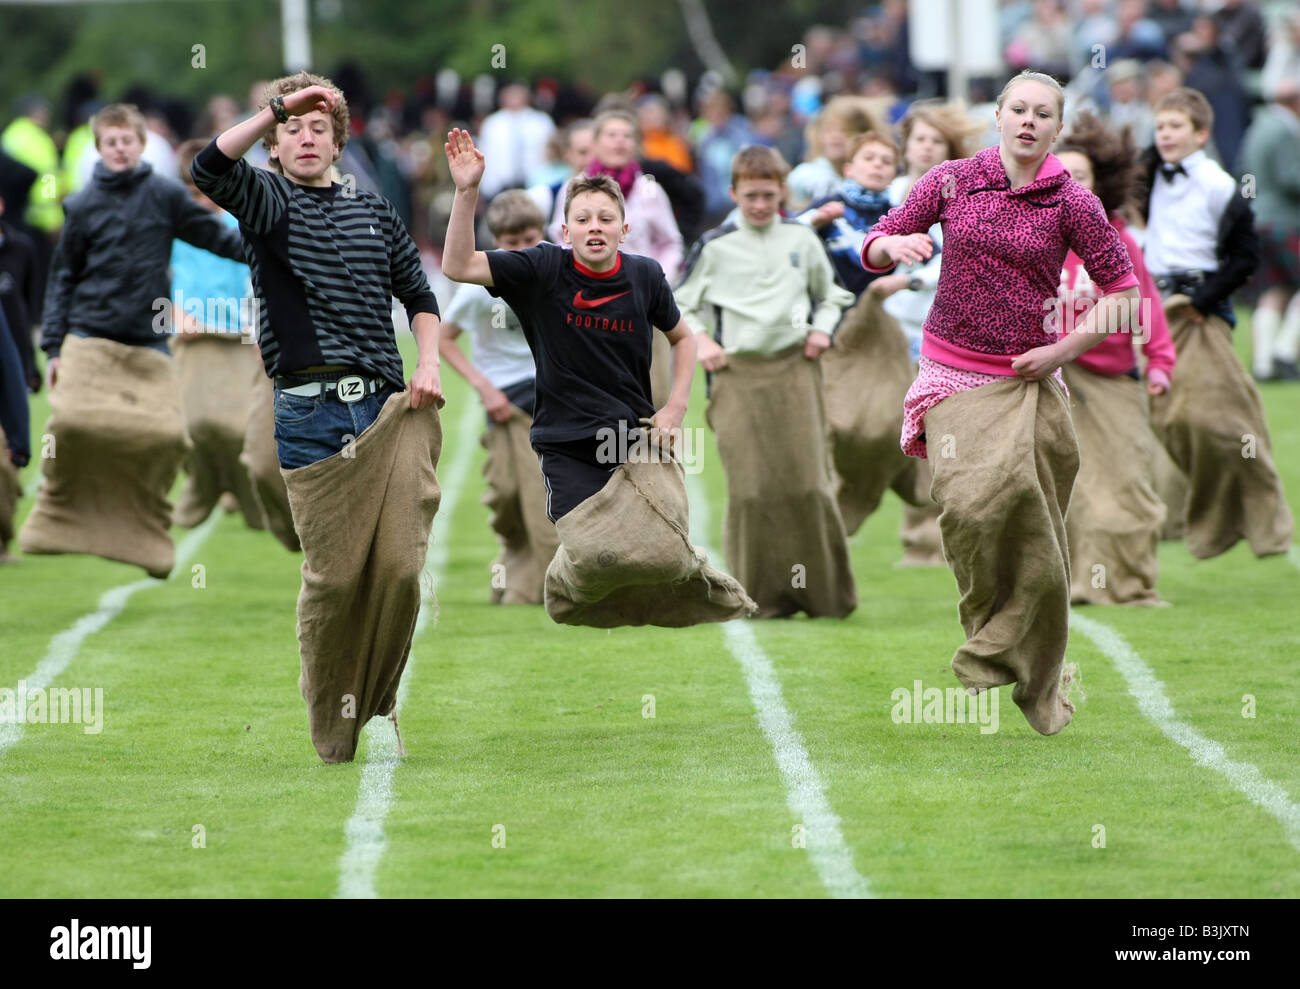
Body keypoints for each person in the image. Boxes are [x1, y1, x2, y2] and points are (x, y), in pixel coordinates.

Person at [862, 70, 1140, 736]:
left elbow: (1123, 295)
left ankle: (1021, 661)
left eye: (1043, 113)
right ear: (997, 113)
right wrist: (891, 245)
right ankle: (990, 625)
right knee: (968, 504)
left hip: (1029, 377)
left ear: (1056, 127)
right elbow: (875, 242)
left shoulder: (1073, 202)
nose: (1028, 121)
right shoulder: (952, 180)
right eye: (1018, 108)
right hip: (952, 371)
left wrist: (1060, 352)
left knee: (1028, 508)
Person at [192, 72, 444, 764]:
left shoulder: (375, 209)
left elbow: (421, 298)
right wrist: (275, 105)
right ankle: (333, 717)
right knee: (333, 578)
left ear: (338, 142)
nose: (305, 138)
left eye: (317, 128)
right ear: (273, 147)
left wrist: (428, 364)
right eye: (291, 131)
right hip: (309, 414)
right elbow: (208, 166)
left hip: (389, 413)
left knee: (397, 570)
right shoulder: (265, 199)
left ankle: (376, 690)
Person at [442, 129, 753, 628]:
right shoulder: (542, 268)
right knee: (593, 555)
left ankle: (692, 595)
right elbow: (457, 265)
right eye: (582, 219)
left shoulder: (646, 275)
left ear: (623, 229)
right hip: (565, 441)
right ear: (564, 231)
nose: (594, 227)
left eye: (605, 219)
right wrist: (466, 192)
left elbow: (685, 338)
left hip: (630, 435)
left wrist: (674, 408)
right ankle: (560, 584)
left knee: (666, 555)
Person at [19, 103, 243, 578]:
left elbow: (214, 237)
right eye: (110, 142)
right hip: (89, 335)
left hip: (148, 340)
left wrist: (274, 249)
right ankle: (58, 512)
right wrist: (55, 347)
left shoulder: (164, 195)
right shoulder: (79, 205)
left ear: (142, 145)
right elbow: (62, 279)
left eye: (128, 141)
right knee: (73, 426)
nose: (120, 149)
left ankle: (144, 528)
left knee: (167, 438)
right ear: (99, 149)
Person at [676, 144, 857, 619]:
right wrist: (704, 343)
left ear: (782, 194)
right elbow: (680, 304)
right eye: (750, 195)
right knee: (752, 490)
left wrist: (821, 328)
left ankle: (825, 597)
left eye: (769, 196)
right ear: (734, 193)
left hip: (797, 368)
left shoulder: (801, 239)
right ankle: (757, 598)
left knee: (808, 486)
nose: (759, 205)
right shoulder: (714, 246)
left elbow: (833, 295)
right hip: (737, 374)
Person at [1138, 86, 1291, 560]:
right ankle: (1202, 516)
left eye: (1176, 126)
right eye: (1160, 126)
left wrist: (1203, 300)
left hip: (1196, 307)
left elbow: (1245, 257)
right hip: (1154, 304)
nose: (1165, 135)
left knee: (1218, 417)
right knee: (1165, 417)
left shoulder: (1221, 185)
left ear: (1201, 134)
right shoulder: (1150, 175)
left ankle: (1265, 520)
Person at [1054, 112, 1176, 606]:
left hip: (1114, 380)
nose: (1068, 184)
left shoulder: (1116, 240)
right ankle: (1072, 584)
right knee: (1071, 488)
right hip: (1054, 379)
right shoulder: (1033, 238)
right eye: (1059, 175)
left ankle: (1128, 584)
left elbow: (1148, 307)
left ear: (1099, 183)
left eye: (1078, 176)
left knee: (1127, 484)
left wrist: (1161, 365)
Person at [439, 189, 558, 605]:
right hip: (505, 399)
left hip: (550, 394)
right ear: (496, 245)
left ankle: (545, 590)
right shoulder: (479, 287)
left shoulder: (556, 272)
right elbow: (445, 340)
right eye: (513, 244)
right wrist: (485, 388)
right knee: (507, 493)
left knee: (542, 495)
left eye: (531, 240)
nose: (524, 251)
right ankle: (511, 566)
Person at [548, 110, 684, 408]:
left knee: (653, 396)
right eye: (611, 135)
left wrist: (660, 280)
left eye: (627, 136)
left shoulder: (650, 190)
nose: (620, 142)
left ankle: (652, 454)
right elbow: (561, 240)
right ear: (595, 143)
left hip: (644, 306)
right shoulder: (575, 189)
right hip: (587, 304)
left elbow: (671, 242)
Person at [167, 138, 264, 532]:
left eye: (204, 190)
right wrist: (174, 313)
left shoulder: (241, 224)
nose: (199, 199)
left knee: (236, 425)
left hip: (235, 335)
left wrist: (259, 327)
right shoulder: (174, 227)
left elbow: (256, 278)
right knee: (190, 425)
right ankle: (205, 481)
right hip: (190, 335)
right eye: (191, 192)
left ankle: (237, 487)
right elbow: (157, 276)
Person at [1237, 79, 1300, 381]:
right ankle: (1285, 352)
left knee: (1273, 290)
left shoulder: (1257, 127)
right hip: (1284, 221)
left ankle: (1263, 365)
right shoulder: (1285, 129)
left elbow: (1243, 173)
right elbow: (1292, 178)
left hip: (1258, 219)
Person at [786, 96, 879, 214]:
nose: (836, 136)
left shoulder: (874, 177)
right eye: (829, 130)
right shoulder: (805, 175)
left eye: (846, 130)